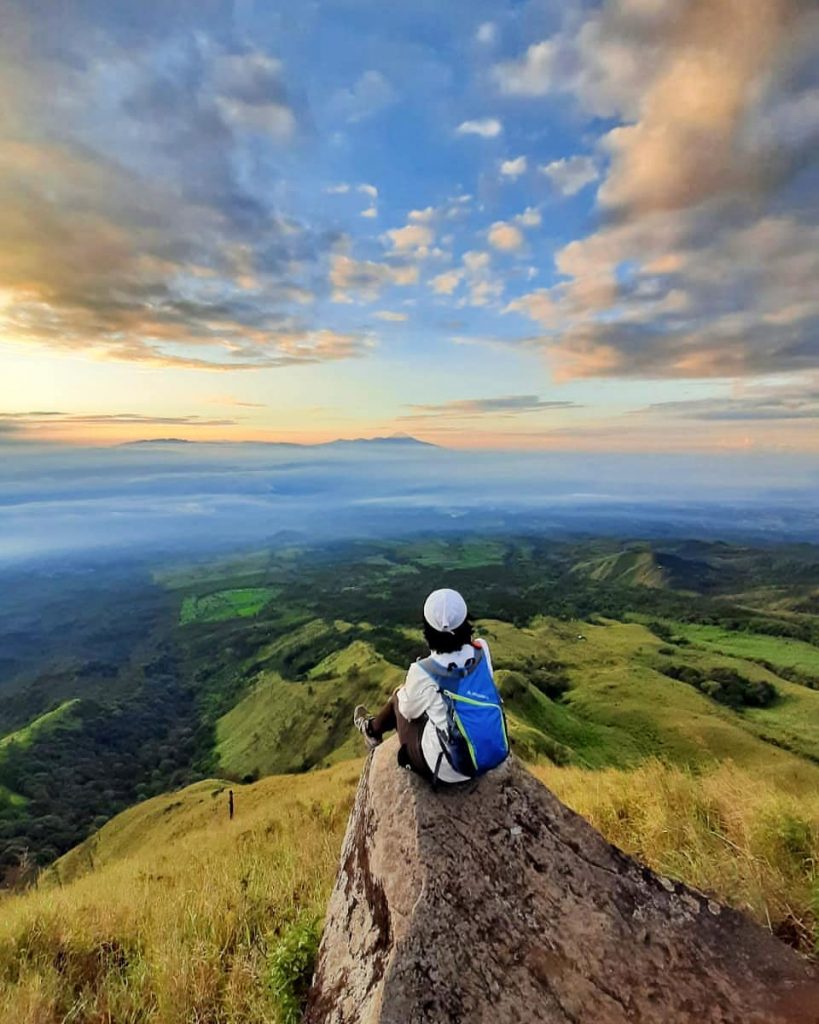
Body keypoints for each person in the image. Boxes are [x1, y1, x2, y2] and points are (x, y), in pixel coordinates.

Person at [353, 587, 499, 785]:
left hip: (448, 770)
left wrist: (404, 692)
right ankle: (371, 728)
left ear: (427, 630)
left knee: (399, 698)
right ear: (466, 621)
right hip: (490, 754)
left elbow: (408, 713)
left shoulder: (424, 670)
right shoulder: (481, 649)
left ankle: (371, 731)